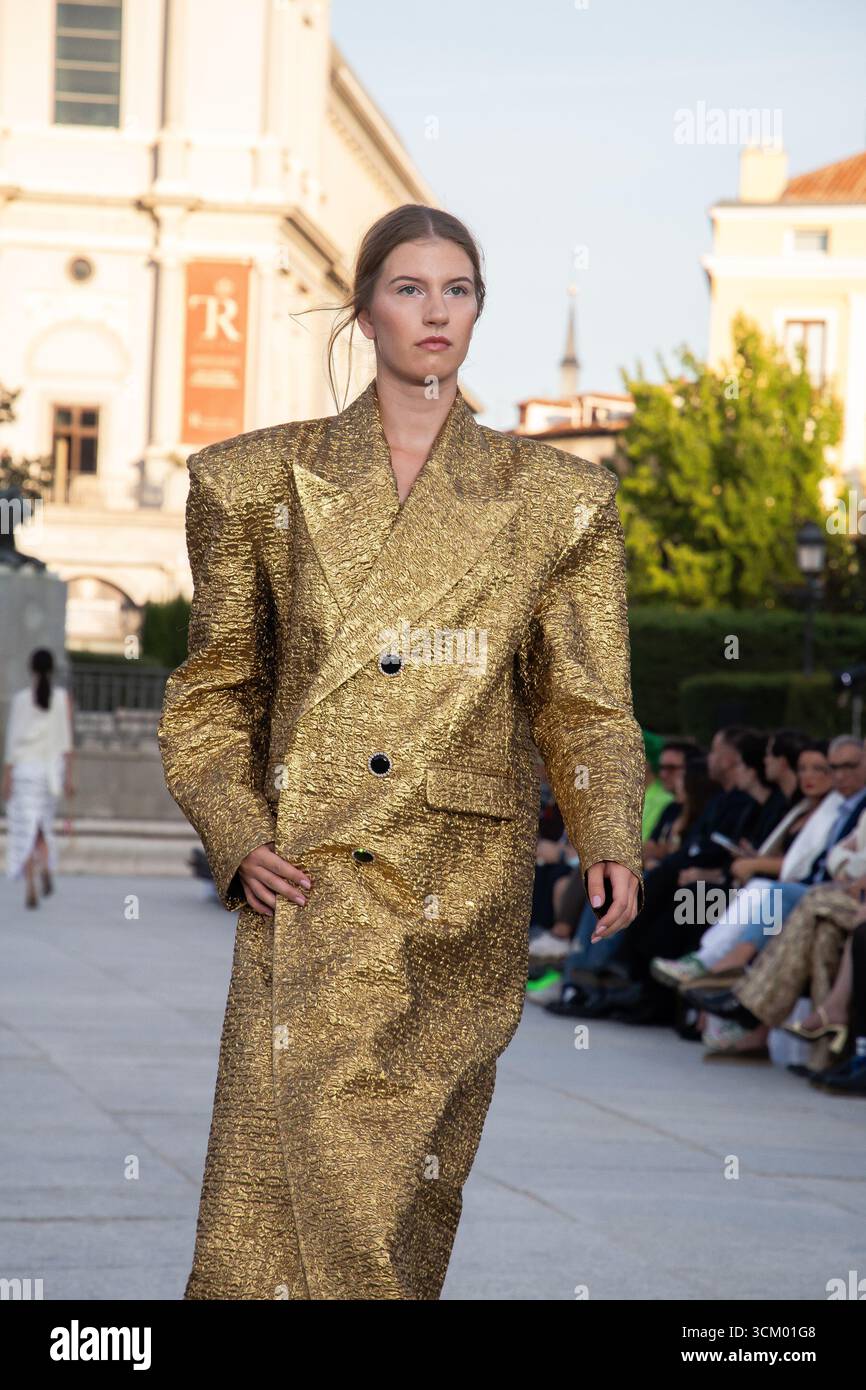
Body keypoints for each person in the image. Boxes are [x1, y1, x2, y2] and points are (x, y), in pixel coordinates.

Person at [157, 203, 645, 1301]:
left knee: (404, 1186)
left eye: (457, 289)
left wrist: (609, 825)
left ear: (479, 309)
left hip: (458, 889)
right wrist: (235, 832)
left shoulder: (558, 498)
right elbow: (211, 694)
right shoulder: (251, 481)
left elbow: (585, 701)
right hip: (307, 875)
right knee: (296, 1163)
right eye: (409, 288)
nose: (435, 312)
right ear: (362, 308)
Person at [2, 648, 74, 909]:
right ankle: (46, 866)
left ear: (31, 669)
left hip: (24, 772)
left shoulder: (21, 699)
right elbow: (66, 743)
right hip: (50, 774)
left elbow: (12, 743)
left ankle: (31, 885)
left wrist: (6, 779)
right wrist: (69, 779)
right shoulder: (62, 699)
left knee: (26, 830)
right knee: (42, 826)